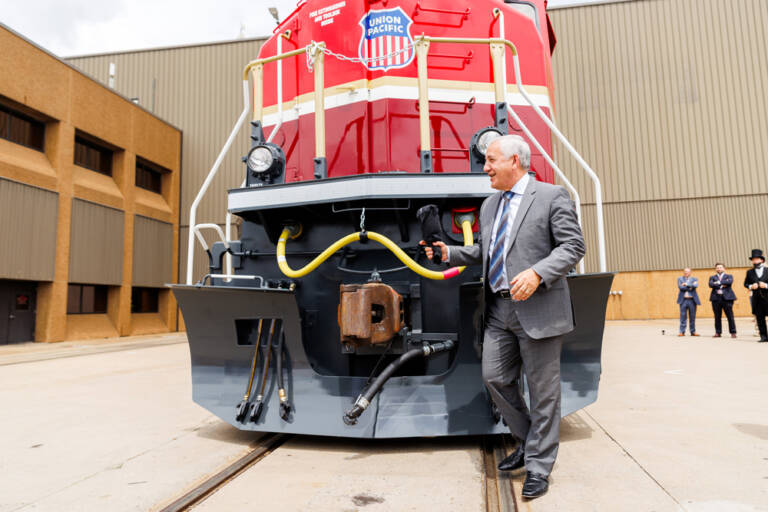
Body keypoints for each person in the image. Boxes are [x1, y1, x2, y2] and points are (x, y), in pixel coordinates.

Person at [422, 135, 584, 499]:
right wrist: (448, 252)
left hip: (538, 306)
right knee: (494, 377)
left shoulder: (551, 196)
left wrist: (539, 272)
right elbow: (487, 250)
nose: (486, 168)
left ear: (515, 160)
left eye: (492, 160)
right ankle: (530, 442)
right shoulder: (490, 205)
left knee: (544, 392)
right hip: (498, 309)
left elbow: (573, 246)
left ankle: (539, 467)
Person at [743, 249, 768, 342]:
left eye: (757, 259)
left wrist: (766, 285)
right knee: (760, 318)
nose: (755, 261)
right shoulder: (749, 272)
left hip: (767, 297)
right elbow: (745, 284)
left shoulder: (767, 270)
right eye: (753, 259)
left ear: (762, 260)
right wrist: (751, 286)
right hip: (756, 299)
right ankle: (764, 337)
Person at [708, 263, 737, 338]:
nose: (719, 269)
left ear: (724, 268)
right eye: (717, 268)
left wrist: (717, 283)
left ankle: (733, 332)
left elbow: (729, 282)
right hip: (716, 299)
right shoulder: (712, 277)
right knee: (717, 316)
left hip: (727, 299)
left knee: (730, 316)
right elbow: (710, 284)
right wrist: (722, 283)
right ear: (715, 269)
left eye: (720, 267)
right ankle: (718, 332)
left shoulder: (729, 276)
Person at [676, 268, 700, 336]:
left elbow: (695, 286)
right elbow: (681, 287)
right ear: (683, 272)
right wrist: (690, 286)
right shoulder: (680, 279)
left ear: (690, 272)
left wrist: (686, 284)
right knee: (683, 316)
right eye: (685, 271)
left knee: (692, 316)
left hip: (692, 300)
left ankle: (693, 332)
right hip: (683, 300)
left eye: (688, 271)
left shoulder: (694, 279)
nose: (686, 273)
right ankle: (682, 332)